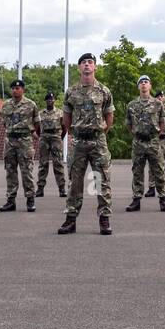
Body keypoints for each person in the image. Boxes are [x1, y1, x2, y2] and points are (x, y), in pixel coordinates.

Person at [58, 53, 115, 235]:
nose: (87, 65)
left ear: (95, 67)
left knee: (101, 181)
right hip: (79, 142)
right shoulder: (71, 92)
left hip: (98, 141)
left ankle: (104, 220)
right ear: (79, 68)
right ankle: (70, 219)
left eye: (90, 62)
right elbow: (66, 118)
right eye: (84, 63)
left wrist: (100, 133)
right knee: (75, 182)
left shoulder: (104, 91)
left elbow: (109, 116)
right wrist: (75, 134)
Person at [125, 75, 165, 213]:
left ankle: (163, 199)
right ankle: (136, 200)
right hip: (138, 142)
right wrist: (136, 133)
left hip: (153, 142)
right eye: (141, 82)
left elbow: (162, 122)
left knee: (159, 170)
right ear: (138, 87)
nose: (144, 84)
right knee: (137, 171)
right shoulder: (132, 105)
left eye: (146, 82)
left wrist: (156, 134)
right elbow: (128, 124)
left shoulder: (157, 104)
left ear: (150, 86)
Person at [0, 79, 40, 213]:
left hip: (24, 141)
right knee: (10, 172)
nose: (15, 90)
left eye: (17, 88)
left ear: (23, 90)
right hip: (10, 141)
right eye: (13, 88)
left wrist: (29, 133)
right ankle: (10, 201)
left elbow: (37, 123)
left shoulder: (31, 105)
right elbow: (4, 123)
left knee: (26, 172)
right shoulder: (6, 105)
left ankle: (30, 200)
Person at [37, 91, 67, 197]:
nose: (50, 101)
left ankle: (62, 189)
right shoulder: (40, 113)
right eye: (48, 100)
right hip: (44, 139)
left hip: (56, 138)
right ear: (46, 101)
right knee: (43, 164)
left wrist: (59, 138)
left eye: (52, 99)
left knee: (58, 164)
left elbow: (64, 128)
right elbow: (37, 128)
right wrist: (41, 137)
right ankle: (40, 189)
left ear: (54, 100)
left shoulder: (60, 113)